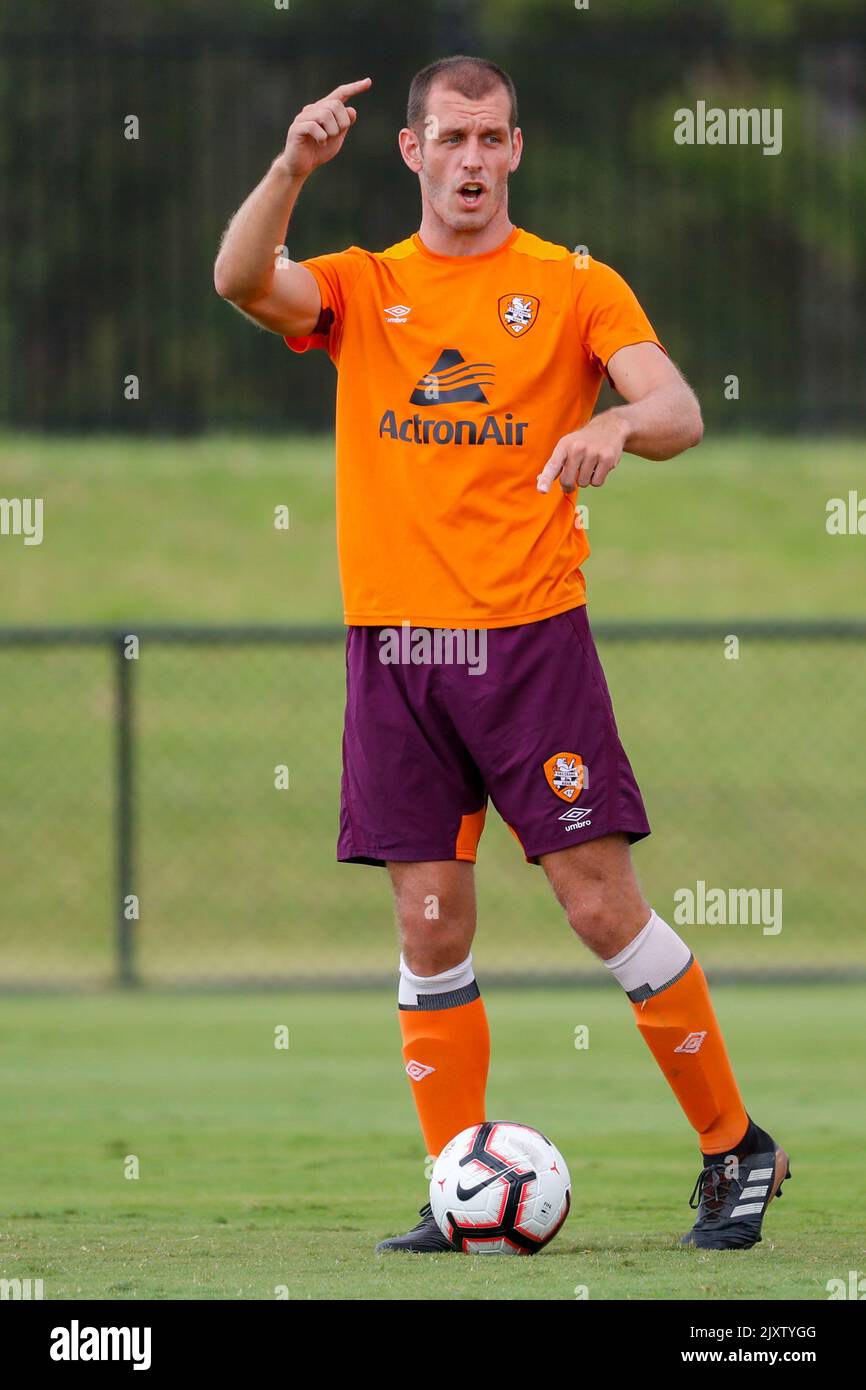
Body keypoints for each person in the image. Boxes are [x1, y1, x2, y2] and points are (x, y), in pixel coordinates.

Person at [214, 55, 790, 1253]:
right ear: (411, 153)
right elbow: (235, 281)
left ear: (513, 152)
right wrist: (288, 168)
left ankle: (734, 1146)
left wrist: (615, 422)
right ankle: (453, 1182)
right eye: (448, 138)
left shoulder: (574, 286)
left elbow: (677, 407)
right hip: (397, 651)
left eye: (490, 138)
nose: (471, 159)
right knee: (429, 924)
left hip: (528, 642)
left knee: (596, 906)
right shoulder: (363, 287)